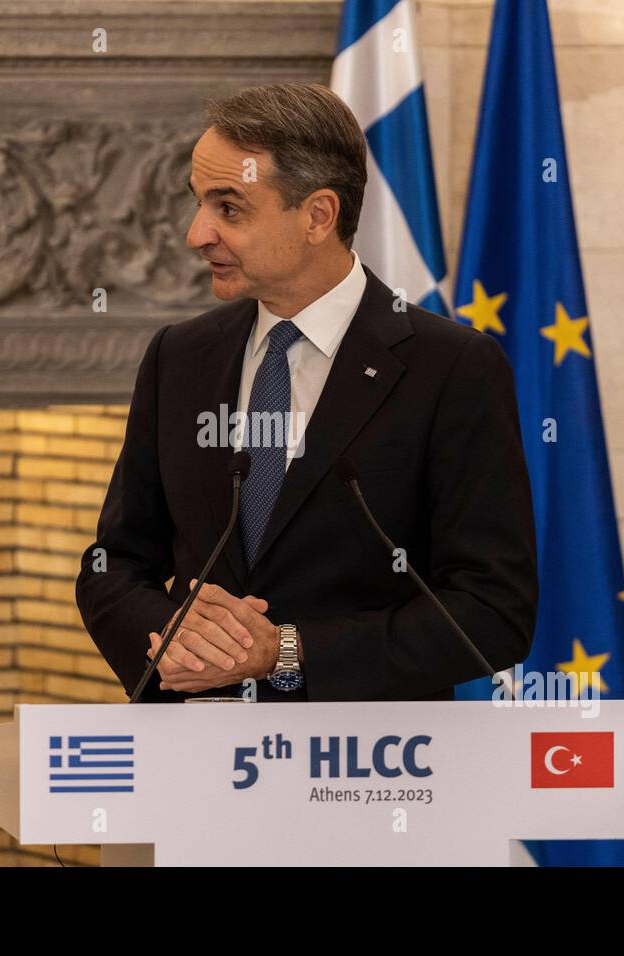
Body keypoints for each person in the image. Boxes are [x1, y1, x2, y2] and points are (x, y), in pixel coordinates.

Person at [75, 82, 537, 702]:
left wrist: (285, 653)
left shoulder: (451, 367)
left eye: (229, 208)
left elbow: (492, 611)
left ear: (319, 215)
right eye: (199, 204)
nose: (196, 234)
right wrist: (171, 637)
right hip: (195, 758)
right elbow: (113, 566)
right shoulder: (179, 357)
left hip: (370, 776)